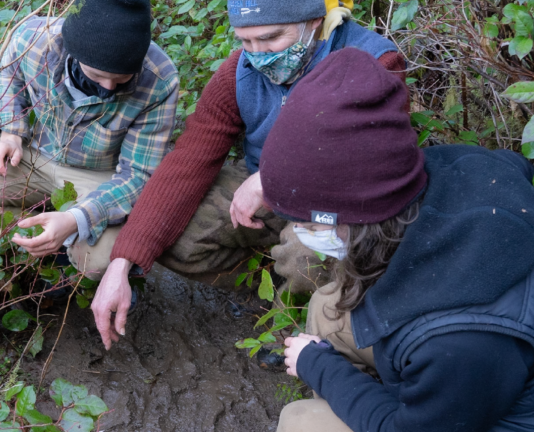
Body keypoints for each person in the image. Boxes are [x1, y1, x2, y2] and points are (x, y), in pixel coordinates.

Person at [258, 47, 534, 432]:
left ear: (353, 219)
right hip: (470, 369)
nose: (301, 234)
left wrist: (320, 368)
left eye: (307, 224)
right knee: (329, 306)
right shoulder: (450, 170)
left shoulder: (462, 341)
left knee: (301, 422)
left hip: (497, 405)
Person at [92, 0, 409, 350]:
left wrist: (271, 178)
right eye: (246, 41)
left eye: (271, 38)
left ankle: (295, 329)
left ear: (314, 21)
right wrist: (123, 261)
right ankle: (271, 284)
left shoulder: (377, 61)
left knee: (307, 255)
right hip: (262, 187)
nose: (258, 55)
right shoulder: (239, 71)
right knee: (176, 238)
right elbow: (191, 158)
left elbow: (372, 162)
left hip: (339, 201)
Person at [0, 0, 179, 280]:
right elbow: (9, 76)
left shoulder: (159, 80)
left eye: (121, 79)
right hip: (33, 156)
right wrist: (12, 133)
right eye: (97, 75)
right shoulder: (33, 40)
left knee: (100, 261)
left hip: (99, 176)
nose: (108, 89)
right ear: (73, 50)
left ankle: (65, 240)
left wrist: (78, 218)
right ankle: (47, 239)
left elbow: (138, 174)